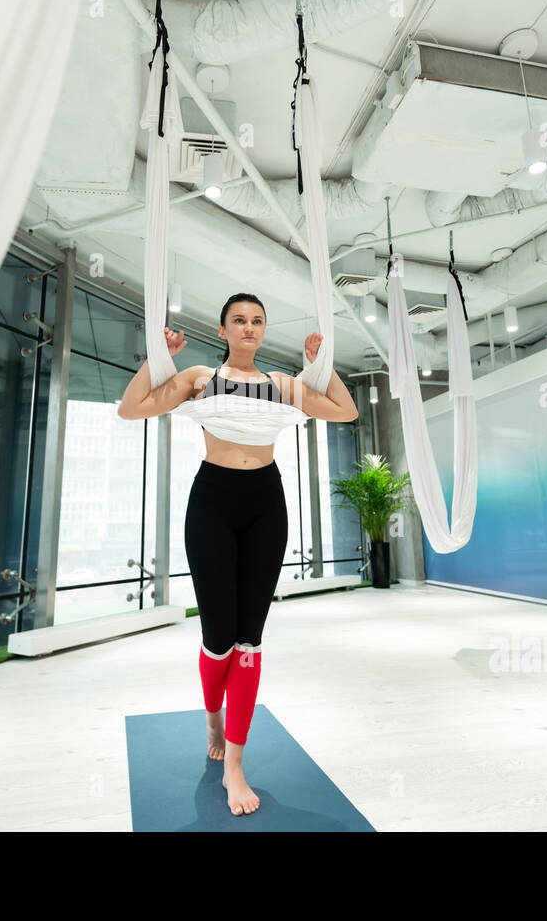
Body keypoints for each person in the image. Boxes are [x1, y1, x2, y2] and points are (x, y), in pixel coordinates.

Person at [117, 293, 358, 815]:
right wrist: (157, 357)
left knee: (250, 638)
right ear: (223, 330)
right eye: (239, 321)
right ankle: (212, 717)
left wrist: (321, 365)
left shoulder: (281, 385)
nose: (249, 328)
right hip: (213, 505)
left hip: (265, 505)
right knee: (217, 636)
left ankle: (235, 768)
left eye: (257, 322)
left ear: (264, 331)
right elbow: (131, 407)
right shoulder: (200, 378)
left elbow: (345, 410)